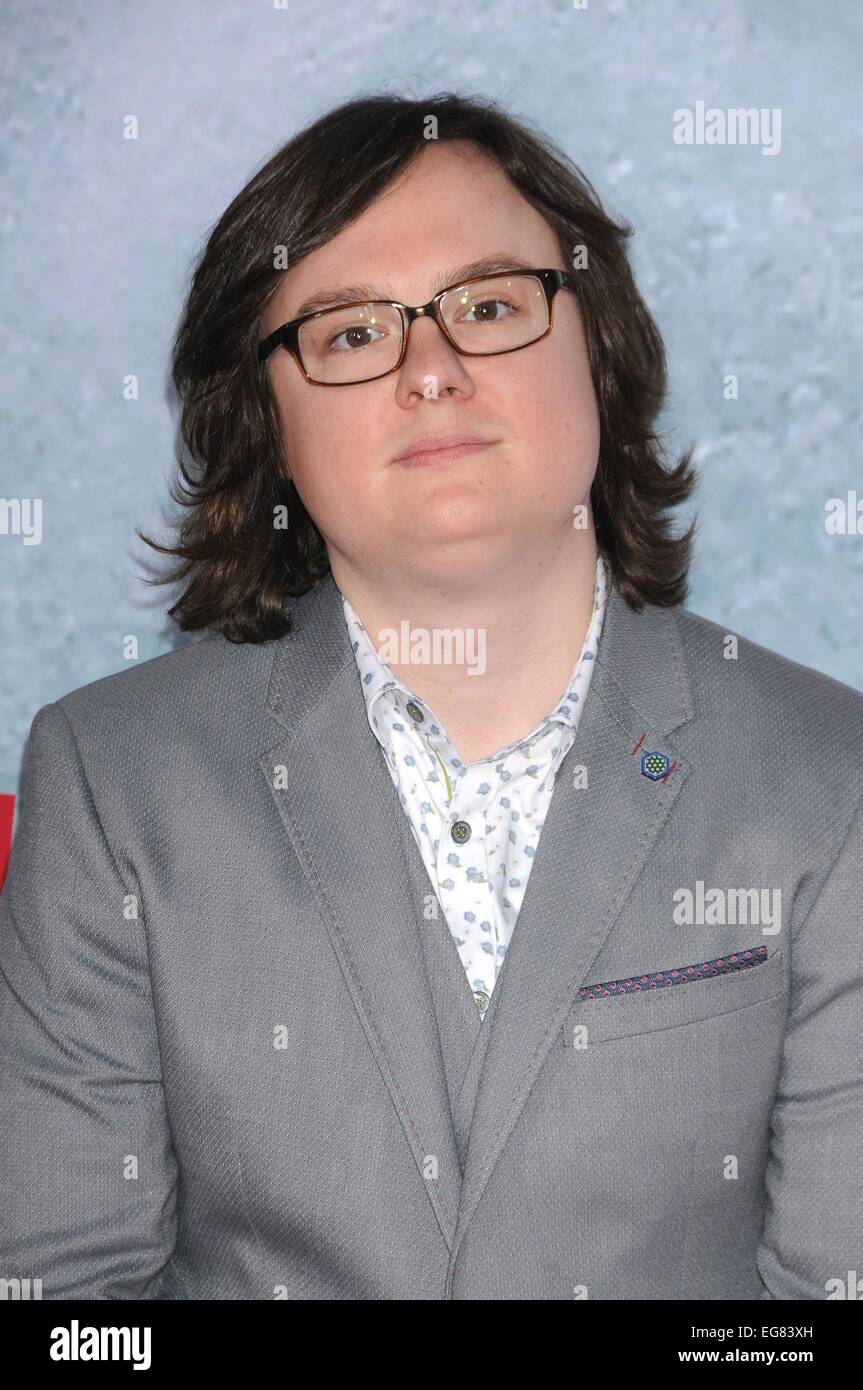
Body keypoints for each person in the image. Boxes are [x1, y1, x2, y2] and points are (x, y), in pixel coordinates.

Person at [1, 91, 861, 1301]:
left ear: (597, 354)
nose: (432, 370)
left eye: (490, 306)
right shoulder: (109, 781)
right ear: (267, 425)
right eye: (351, 333)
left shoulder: (832, 782)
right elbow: (65, 1308)